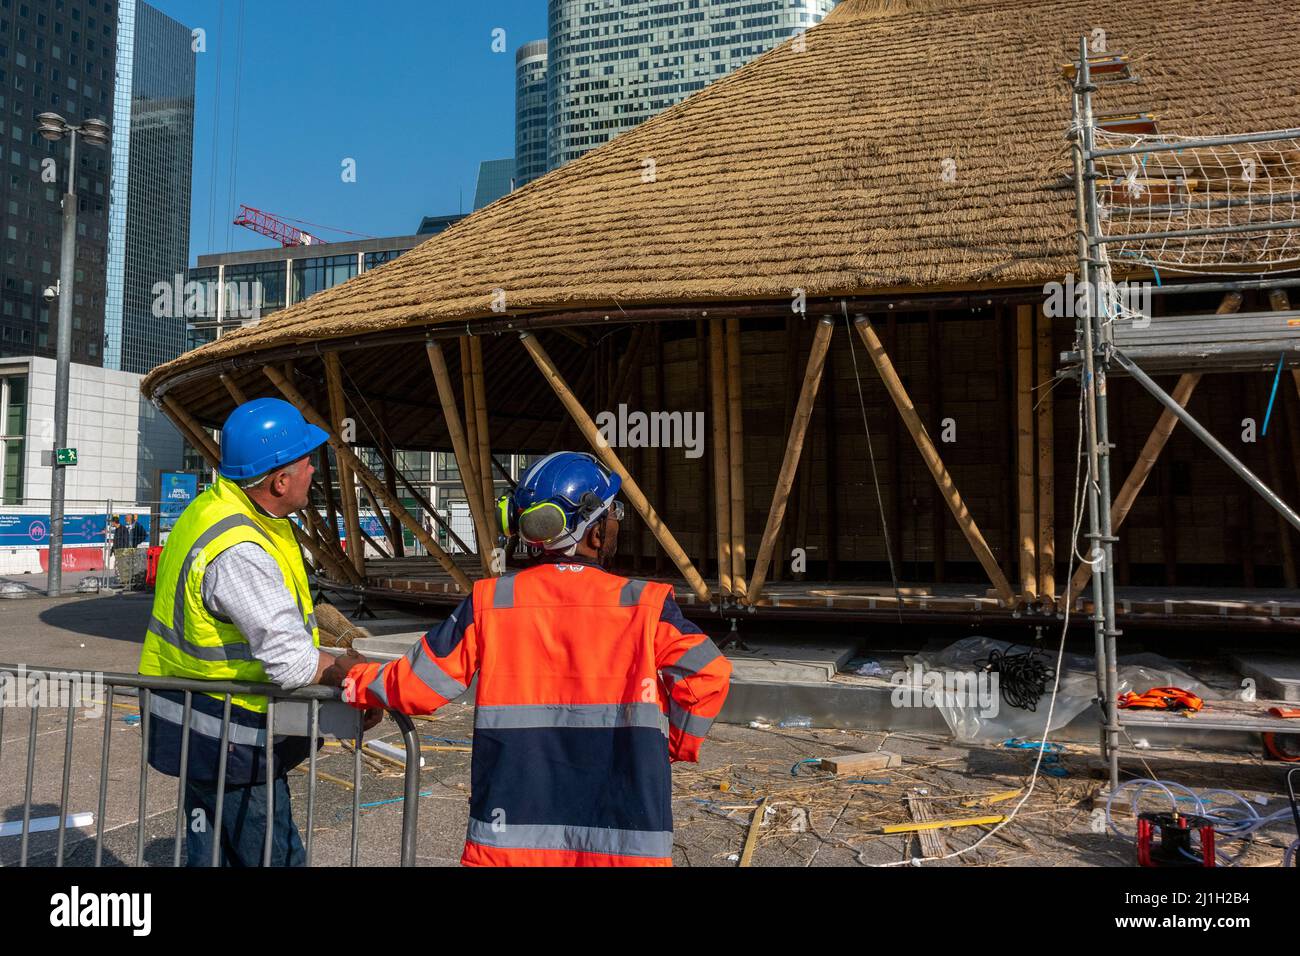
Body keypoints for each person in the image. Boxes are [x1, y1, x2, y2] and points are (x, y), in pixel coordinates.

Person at [341, 451, 732, 866]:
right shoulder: (646, 605)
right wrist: (673, 745)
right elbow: (707, 676)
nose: (617, 521)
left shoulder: (491, 602)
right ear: (594, 534)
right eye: (612, 512)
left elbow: (417, 686)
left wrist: (352, 679)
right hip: (624, 847)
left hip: (510, 844)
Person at [138, 397, 378, 866]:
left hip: (199, 725)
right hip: (233, 737)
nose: (314, 470)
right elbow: (290, 661)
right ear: (279, 480)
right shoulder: (240, 548)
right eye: (306, 461)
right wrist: (355, 675)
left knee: (212, 854)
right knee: (269, 854)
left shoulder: (216, 509)